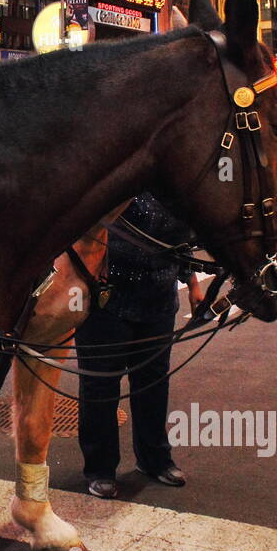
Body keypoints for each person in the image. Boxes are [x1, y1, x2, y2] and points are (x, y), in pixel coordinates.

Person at [74, 193, 205, 498]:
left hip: (158, 299)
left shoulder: (171, 182)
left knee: (153, 383)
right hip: (105, 301)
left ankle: (155, 459)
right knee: (100, 387)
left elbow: (180, 241)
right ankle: (100, 468)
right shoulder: (114, 171)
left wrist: (194, 285)